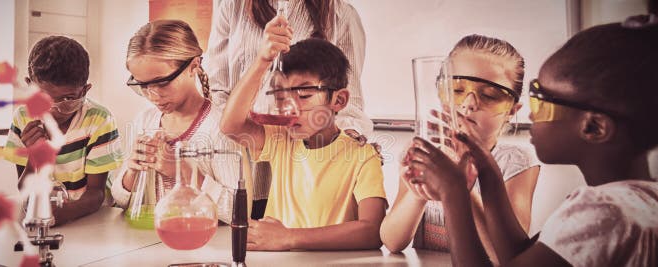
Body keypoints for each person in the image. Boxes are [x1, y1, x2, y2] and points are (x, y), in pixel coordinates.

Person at [405, 17, 658, 266]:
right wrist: (487, 169)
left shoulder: (603, 215)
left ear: (594, 126)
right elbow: (517, 256)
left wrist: (454, 193)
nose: (531, 114)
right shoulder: (639, 202)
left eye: (541, 101)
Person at [220, 14, 386, 250]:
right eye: (282, 97)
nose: (290, 107)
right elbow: (231, 126)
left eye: (305, 95)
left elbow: (372, 231)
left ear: (339, 100)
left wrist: (289, 237)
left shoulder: (363, 155)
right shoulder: (280, 139)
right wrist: (263, 60)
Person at [380, 35, 539, 262]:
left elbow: (506, 257)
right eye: (456, 90)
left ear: (512, 110)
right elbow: (393, 241)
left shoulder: (516, 161)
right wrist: (418, 196)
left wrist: (459, 187)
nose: (469, 103)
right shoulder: (422, 152)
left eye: (490, 95)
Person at [108, 19, 245, 223]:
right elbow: (120, 201)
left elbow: (238, 211)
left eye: (162, 83)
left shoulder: (220, 127)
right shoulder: (146, 120)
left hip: (203, 246)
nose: (152, 95)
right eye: (143, 85)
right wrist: (132, 170)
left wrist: (183, 171)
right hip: (151, 242)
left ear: (193, 66)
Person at [4, 36, 123, 225]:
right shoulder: (23, 118)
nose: (54, 109)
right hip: (44, 218)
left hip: (93, 220)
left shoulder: (99, 120)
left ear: (84, 90)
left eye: (68, 99)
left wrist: (64, 213)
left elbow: (96, 193)